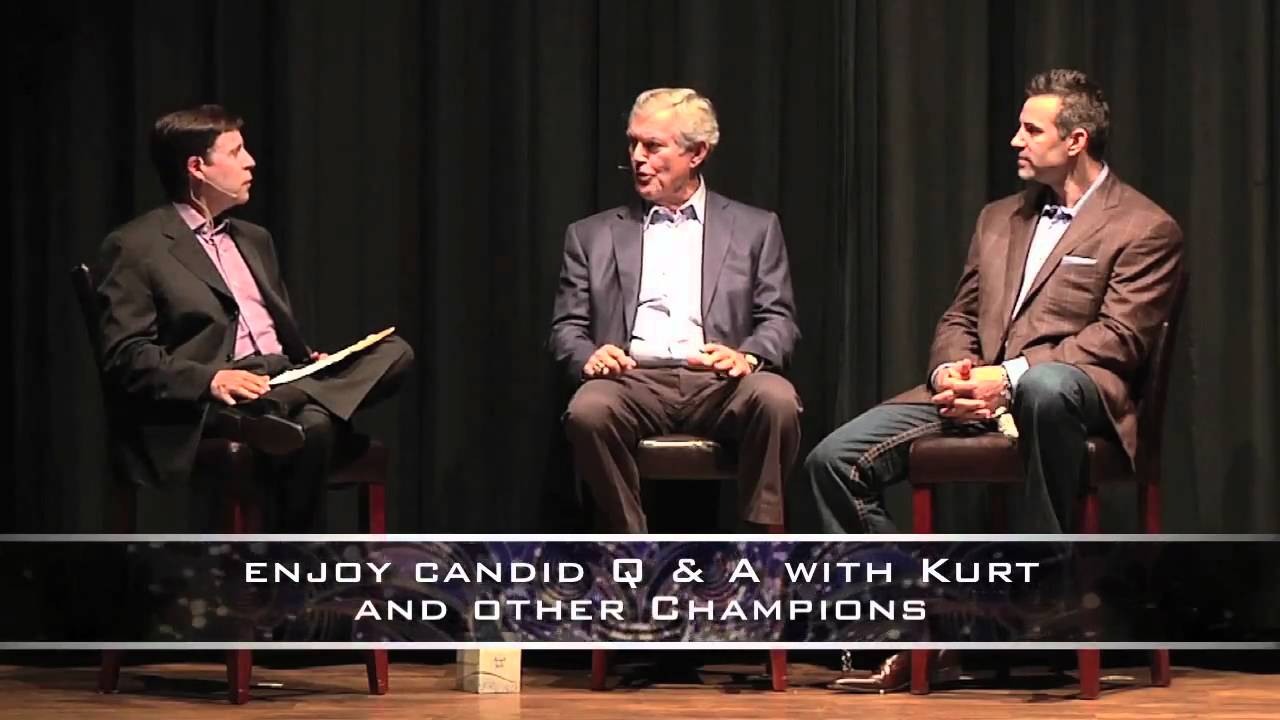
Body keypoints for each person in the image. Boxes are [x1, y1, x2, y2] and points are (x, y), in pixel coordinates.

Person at [792, 69, 1185, 691]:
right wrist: (951, 370)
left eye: (1031, 130)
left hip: (1073, 392)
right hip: (977, 390)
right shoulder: (998, 218)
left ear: (1076, 140)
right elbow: (960, 314)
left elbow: (1119, 338)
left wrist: (1010, 376)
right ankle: (925, 626)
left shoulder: (1144, 226)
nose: (1015, 140)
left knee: (1045, 388)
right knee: (832, 461)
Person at [95, 104, 414, 531]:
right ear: (197, 167)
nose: (250, 162)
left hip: (280, 378)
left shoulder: (254, 239)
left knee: (395, 351)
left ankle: (284, 400)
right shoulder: (136, 245)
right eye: (236, 152)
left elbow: (275, 332)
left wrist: (309, 363)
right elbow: (126, 355)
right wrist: (211, 380)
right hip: (216, 396)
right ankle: (297, 561)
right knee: (315, 426)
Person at [549, 88, 802, 533]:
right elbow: (566, 327)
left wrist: (747, 356)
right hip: (632, 380)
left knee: (776, 399)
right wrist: (589, 355)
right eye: (633, 143)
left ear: (696, 153)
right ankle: (631, 548)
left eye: (653, 146)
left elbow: (779, 320)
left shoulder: (755, 228)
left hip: (719, 383)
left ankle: (761, 547)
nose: (637, 158)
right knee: (588, 411)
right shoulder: (590, 235)